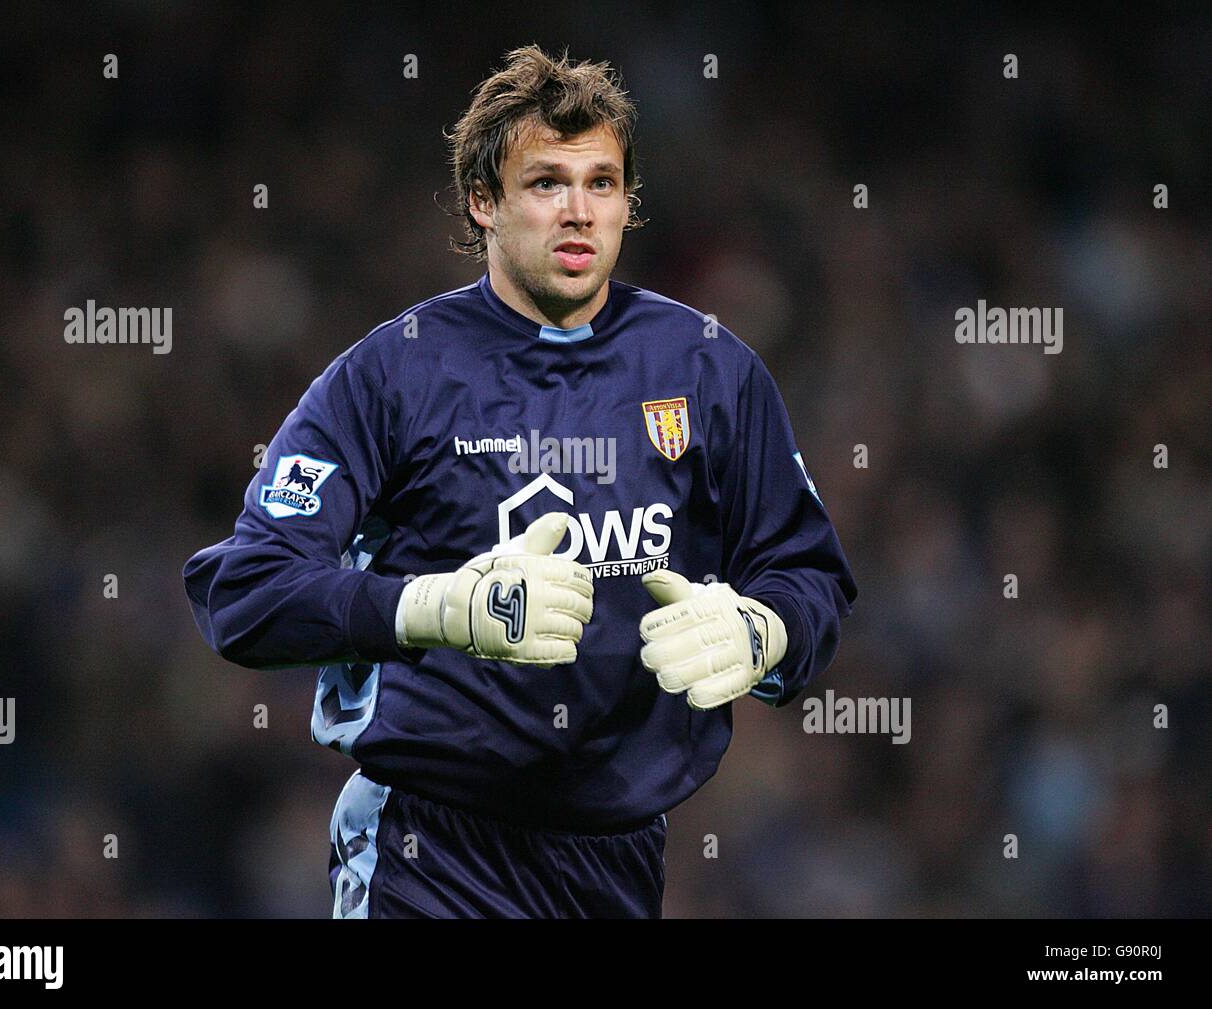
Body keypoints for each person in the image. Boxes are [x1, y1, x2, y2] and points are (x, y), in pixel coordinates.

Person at [182, 44, 856, 918]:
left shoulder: (709, 369)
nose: (578, 211)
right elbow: (242, 591)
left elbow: (811, 577)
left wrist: (763, 632)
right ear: (483, 202)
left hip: (617, 862)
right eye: (545, 183)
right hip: (429, 855)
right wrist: (435, 609)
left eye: (602, 182)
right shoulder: (394, 375)